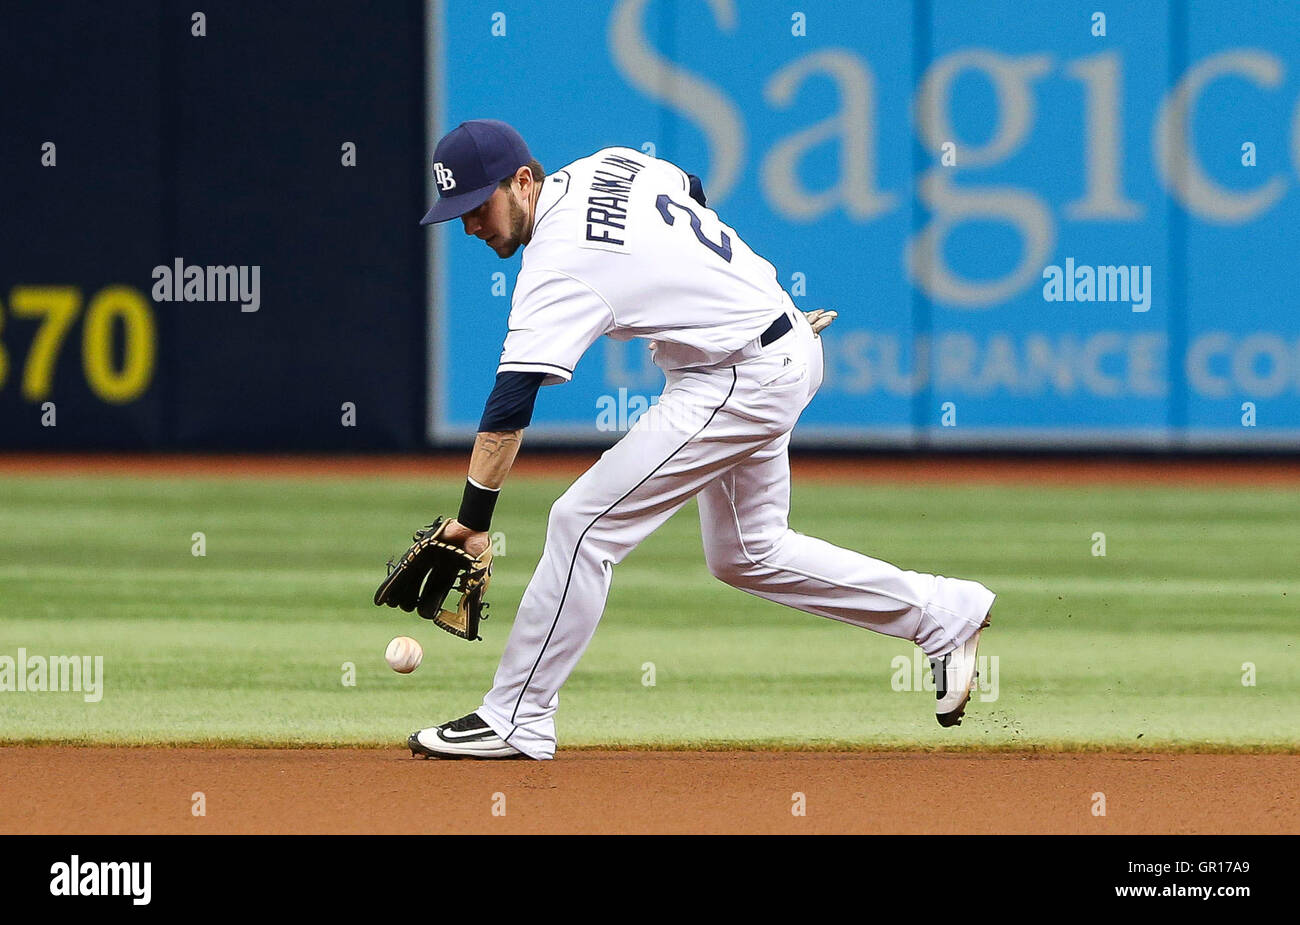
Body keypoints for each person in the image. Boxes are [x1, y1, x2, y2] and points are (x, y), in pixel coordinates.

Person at [407, 119, 995, 760]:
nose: (469, 225)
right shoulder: (611, 158)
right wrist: (742, 305)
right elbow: (691, 189)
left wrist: (472, 521)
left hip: (736, 376)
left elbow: (511, 402)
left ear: (522, 181)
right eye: (455, 213)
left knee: (581, 524)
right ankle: (942, 613)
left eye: (477, 205)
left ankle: (515, 717)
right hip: (772, 345)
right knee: (747, 552)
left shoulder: (558, 262)